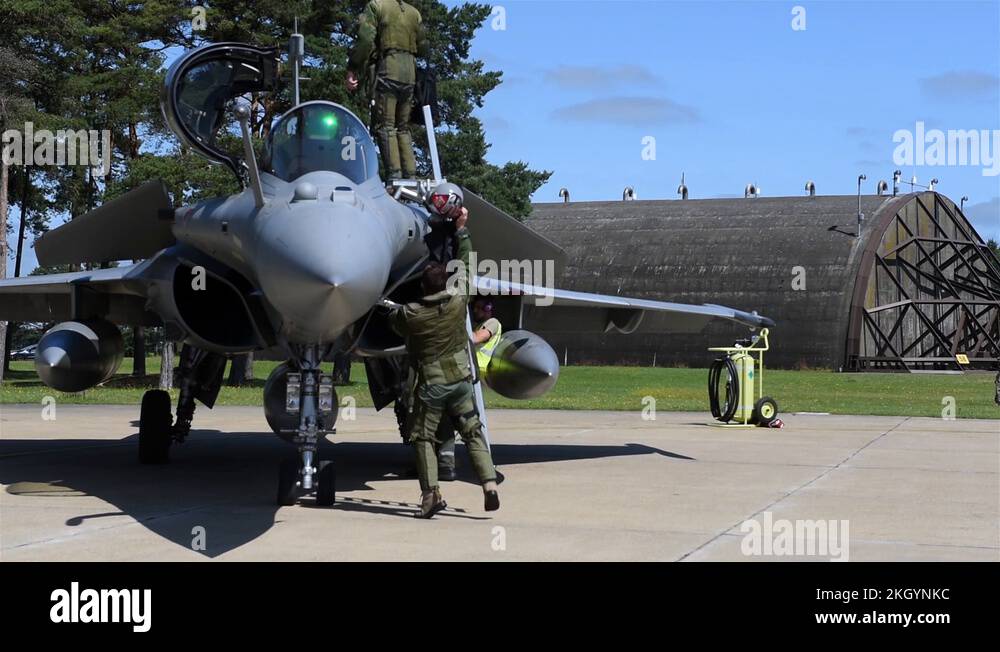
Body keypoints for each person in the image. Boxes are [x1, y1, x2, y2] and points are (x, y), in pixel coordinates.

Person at [387, 202, 499, 518]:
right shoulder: (458, 300)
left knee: (422, 437)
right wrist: (461, 232)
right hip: (461, 381)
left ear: (424, 287)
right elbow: (466, 266)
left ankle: (430, 494)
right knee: (473, 432)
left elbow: (394, 322)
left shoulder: (412, 314)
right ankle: (489, 485)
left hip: (432, 387)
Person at [346, 0, 428, 180]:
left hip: (388, 71)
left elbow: (366, 40)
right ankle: (411, 176)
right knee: (403, 128)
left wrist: (353, 66)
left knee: (386, 126)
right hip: (410, 76)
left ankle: (395, 177)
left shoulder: (376, 6)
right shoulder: (414, 13)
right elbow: (423, 47)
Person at [436, 297, 501, 480]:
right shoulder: (476, 324)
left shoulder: (492, 323)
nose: (477, 311)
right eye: (475, 308)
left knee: (468, 423)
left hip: (474, 376)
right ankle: (446, 461)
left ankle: (481, 465)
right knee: (451, 418)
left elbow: (474, 339)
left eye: (480, 308)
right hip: (463, 374)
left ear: (488, 309)